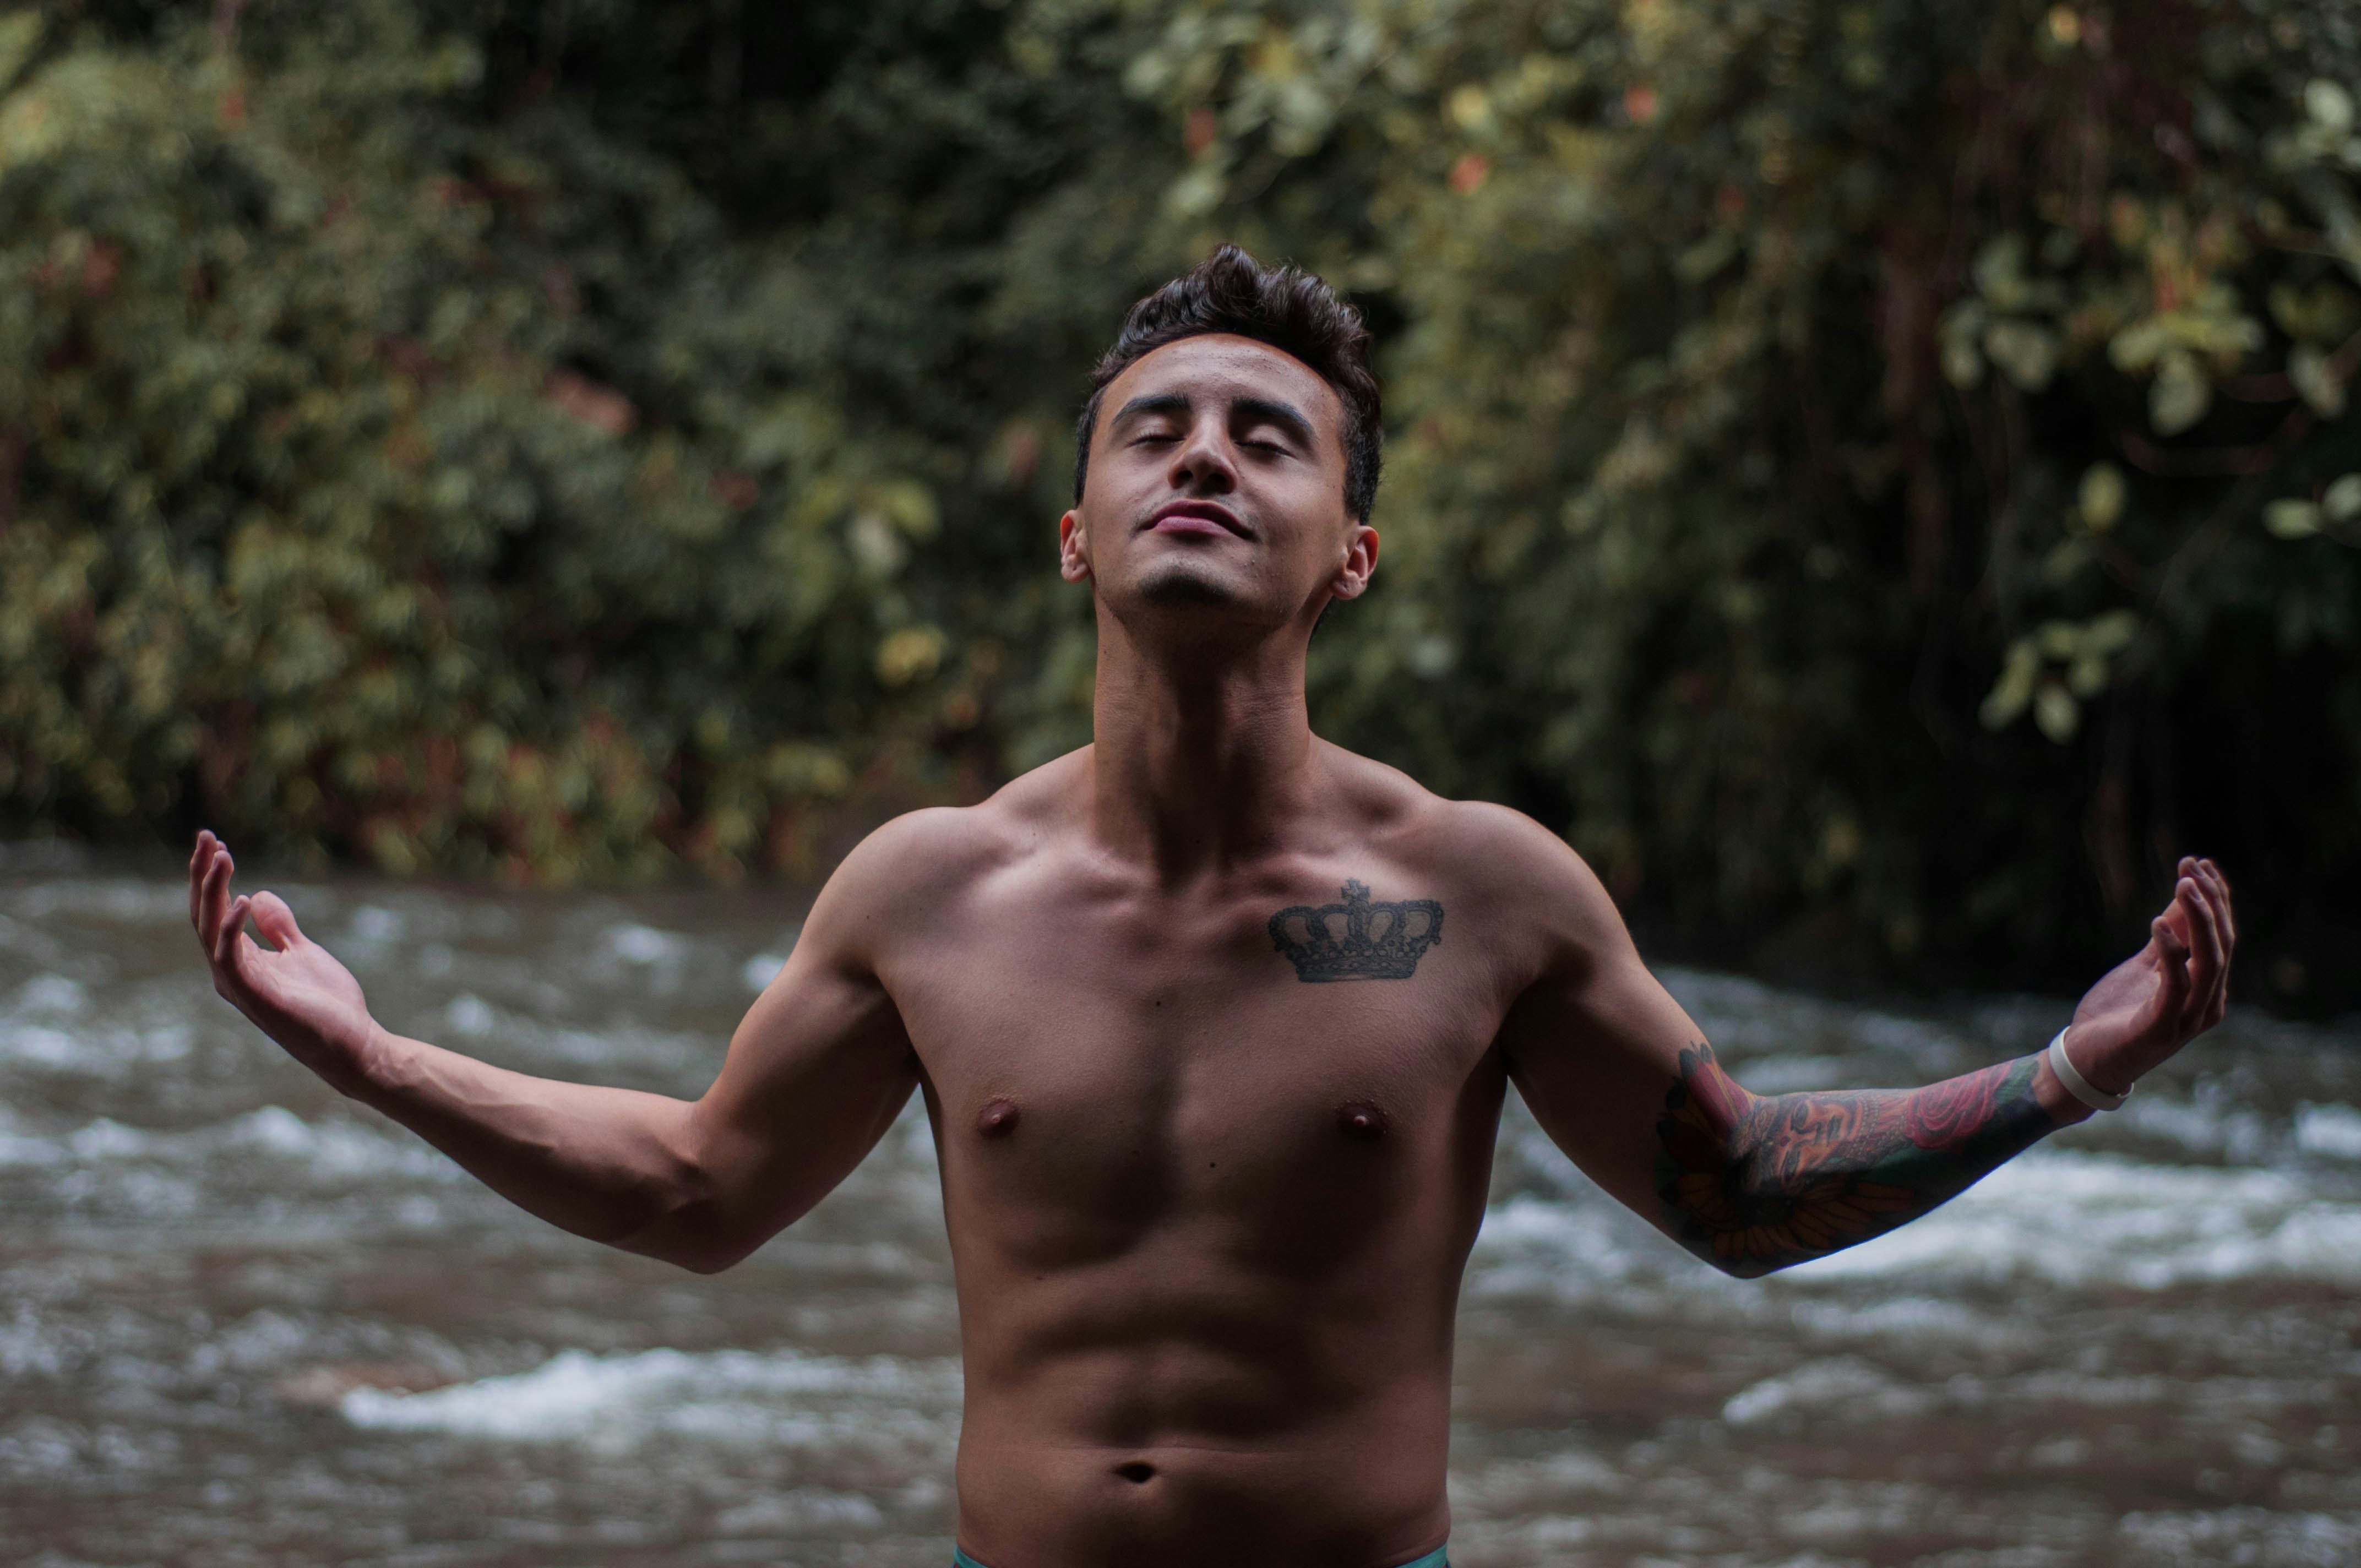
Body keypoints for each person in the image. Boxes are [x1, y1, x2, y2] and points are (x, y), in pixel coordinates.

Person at [187, 245, 2236, 1568]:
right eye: (1155, 432)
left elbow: (1743, 1186)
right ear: (1073, 532)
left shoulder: (1482, 890)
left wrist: (2071, 1069)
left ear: (1352, 550)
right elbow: (701, 1190)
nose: (1208, 462)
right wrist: (373, 1059)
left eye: (1274, 439)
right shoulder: (929, 890)